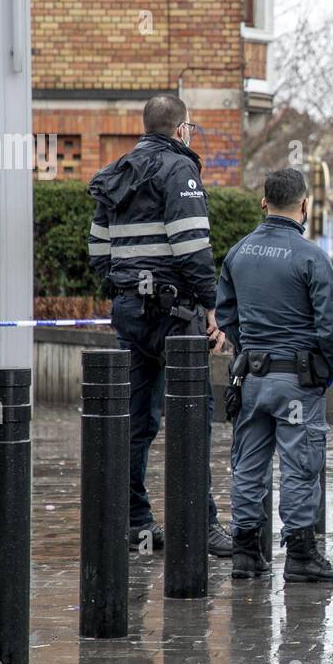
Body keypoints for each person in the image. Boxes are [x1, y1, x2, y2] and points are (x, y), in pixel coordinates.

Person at [87, 93, 233, 557]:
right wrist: (210, 306)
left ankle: (133, 521)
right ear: (180, 129)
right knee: (192, 418)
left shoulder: (117, 172)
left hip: (131, 314)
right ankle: (199, 523)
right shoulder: (179, 169)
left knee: (135, 421)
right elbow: (192, 246)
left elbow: (97, 251)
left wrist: (126, 288)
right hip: (176, 317)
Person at [215, 167, 333, 583]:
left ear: (263, 203)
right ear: (304, 204)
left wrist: (250, 350)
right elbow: (332, 326)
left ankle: (245, 552)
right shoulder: (310, 256)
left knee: (248, 465)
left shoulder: (239, 252)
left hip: (252, 379)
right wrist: (324, 372)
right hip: (296, 380)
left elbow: (226, 315)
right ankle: (301, 556)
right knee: (299, 466)